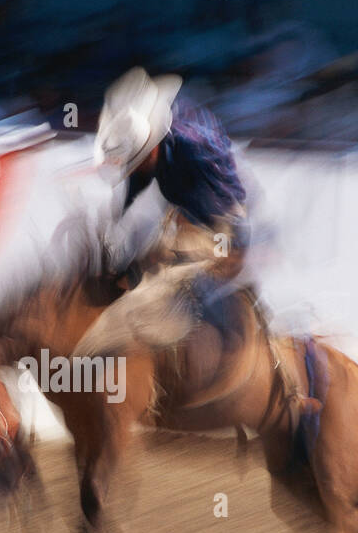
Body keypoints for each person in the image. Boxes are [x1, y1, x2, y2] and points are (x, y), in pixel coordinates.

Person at [77, 67, 256, 358]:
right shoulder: (149, 142)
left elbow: (218, 207)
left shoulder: (193, 148)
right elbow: (134, 190)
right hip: (188, 211)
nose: (132, 170)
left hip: (219, 221)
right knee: (136, 257)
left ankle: (168, 342)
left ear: (151, 151)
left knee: (160, 275)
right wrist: (114, 231)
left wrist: (174, 243)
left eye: (135, 162)